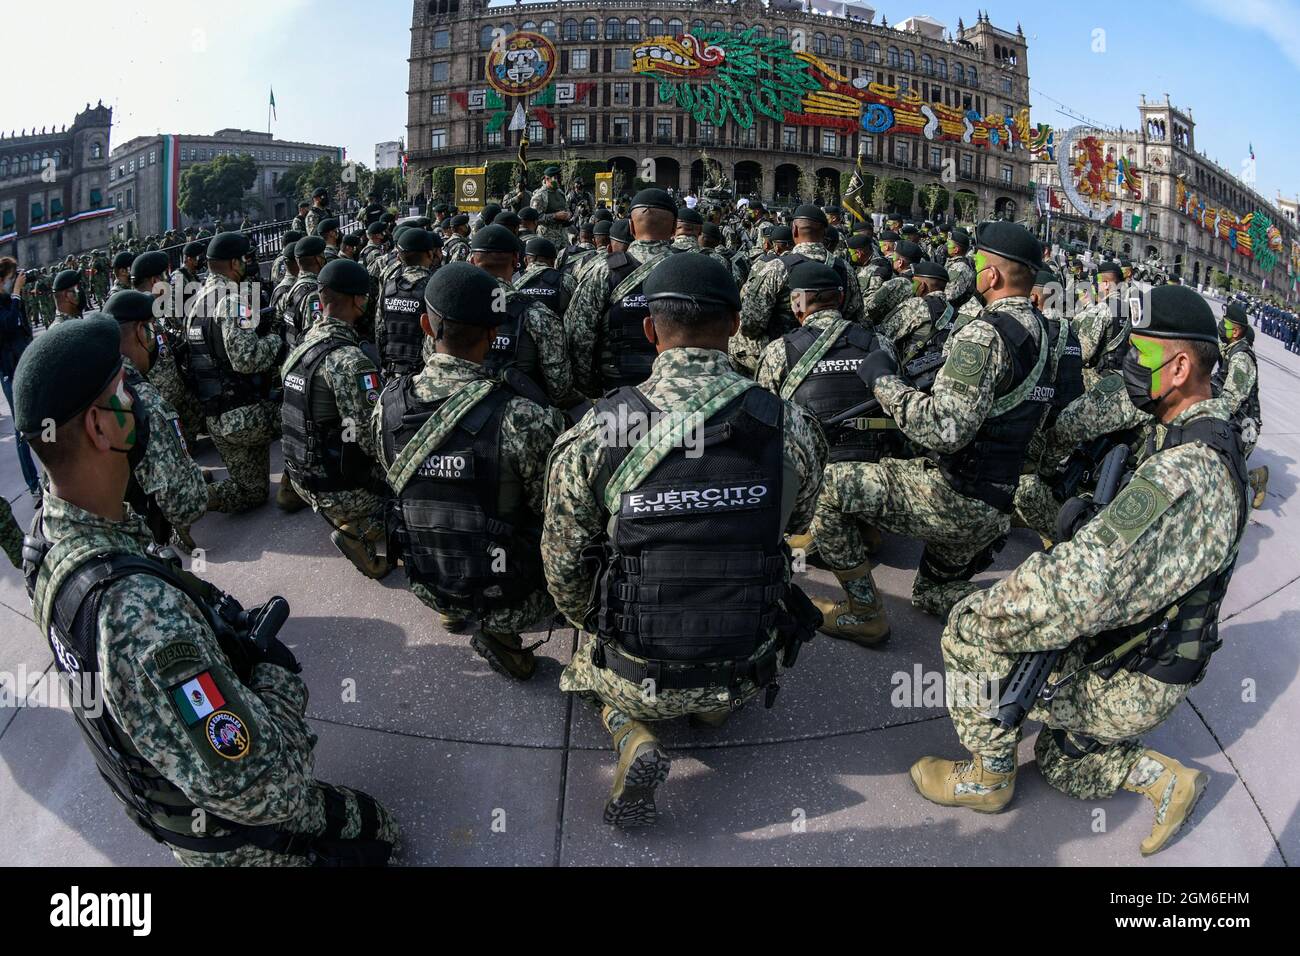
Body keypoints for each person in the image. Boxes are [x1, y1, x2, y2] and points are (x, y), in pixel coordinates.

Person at [15, 317, 399, 866]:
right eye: (125, 394)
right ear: (102, 428)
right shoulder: (142, 616)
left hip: (171, 798)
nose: (140, 404)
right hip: (235, 835)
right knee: (382, 832)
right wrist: (275, 675)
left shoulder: (48, 541)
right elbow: (273, 789)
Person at [915, 286, 1248, 857]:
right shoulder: (1204, 434)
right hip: (1148, 655)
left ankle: (988, 779)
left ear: (1181, 366)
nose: (1128, 368)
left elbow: (1079, 591)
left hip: (1132, 673)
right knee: (1060, 765)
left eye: (1141, 356)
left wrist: (1000, 600)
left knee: (973, 629)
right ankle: (1164, 776)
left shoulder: (1187, 470)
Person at [542, 253, 826, 827]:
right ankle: (716, 705)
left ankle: (631, 733)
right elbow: (798, 523)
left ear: (650, 331)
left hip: (633, 660)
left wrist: (596, 619)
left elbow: (563, 566)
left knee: (587, 667)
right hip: (747, 659)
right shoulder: (788, 423)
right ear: (736, 325)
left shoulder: (600, 429)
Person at [811, 222, 1054, 640]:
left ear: (991, 275)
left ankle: (864, 611)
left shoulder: (984, 334)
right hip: (996, 502)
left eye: (978, 264)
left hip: (953, 497)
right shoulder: (1045, 333)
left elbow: (944, 430)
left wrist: (882, 380)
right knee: (930, 592)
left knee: (826, 487)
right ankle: (1026, 618)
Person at [375, 263, 563, 679]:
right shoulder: (525, 416)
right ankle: (501, 632)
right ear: (493, 334)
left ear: (426, 325)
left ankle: (452, 608)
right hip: (511, 593)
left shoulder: (387, 406)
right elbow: (552, 514)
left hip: (426, 579)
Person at [281, 260, 389, 578]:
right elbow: (372, 439)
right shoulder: (351, 361)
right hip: (335, 487)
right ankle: (358, 531)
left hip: (303, 475)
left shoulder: (301, 347)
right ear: (358, 300)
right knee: (418, 500)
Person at [184, 233, 283, 514]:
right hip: (246, 415)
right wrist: (277, 340)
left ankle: (191, 501)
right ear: (233, 263)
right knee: (304, 410)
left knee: (252, 493)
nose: (248, 263)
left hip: (216, 416)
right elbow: (247, 360)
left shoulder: (195, 302)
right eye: (246, 259)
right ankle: (304, 483)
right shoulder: (232, 300)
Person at [102, 292, 208, 551]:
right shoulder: (141, 400)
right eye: (151, 329)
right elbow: (187, 506)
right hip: (134, 552)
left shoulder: (95, 383)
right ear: (141, 332)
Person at [566, 188, 680, 397]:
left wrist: (590, 389)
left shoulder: (603, 270)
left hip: (616, 390)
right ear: (674, 228)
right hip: (676, 392)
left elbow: (578, 335)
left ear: (631, 227)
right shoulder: (690, 269)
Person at [734, 205, 865, 376]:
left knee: (735, 342)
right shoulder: (845, 269)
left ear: (794, 230)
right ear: (825, 233)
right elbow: (857, 316)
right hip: (835, 352)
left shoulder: (776, 268)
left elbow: (750, 324)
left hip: (785, 355)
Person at [470, 225, 574, 408]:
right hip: (522, 415)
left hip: (461, 413)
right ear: (516, 260)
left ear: (472, 261)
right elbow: (560, 385)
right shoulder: (539, 315)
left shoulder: (453, 307)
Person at [1216, 302, 1268, 508]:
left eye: (1225, 324)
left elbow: (1229, 402)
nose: (1221, 326)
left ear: (1236, 331)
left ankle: (1257, 477)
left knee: (1222, 486)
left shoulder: (1241, 359)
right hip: (1235, 420)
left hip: (1244, 428)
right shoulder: (1230, 348)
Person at [0, 258, 40, 499]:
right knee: (22, 428)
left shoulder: (11, 300)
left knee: (45, 416)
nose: (16, 281)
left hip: (26, 363)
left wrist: (17, 296)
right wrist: (15, 294)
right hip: (10, 371)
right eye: (12, 277)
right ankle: (33, 483)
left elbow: (23, 328)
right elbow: (8, 326)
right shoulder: (6, 302)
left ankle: (52, 469)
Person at [513, 237, 574, 318]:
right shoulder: (565, 280)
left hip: (519, 329)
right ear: (553, 262)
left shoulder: (513, 279)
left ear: (525, 260)